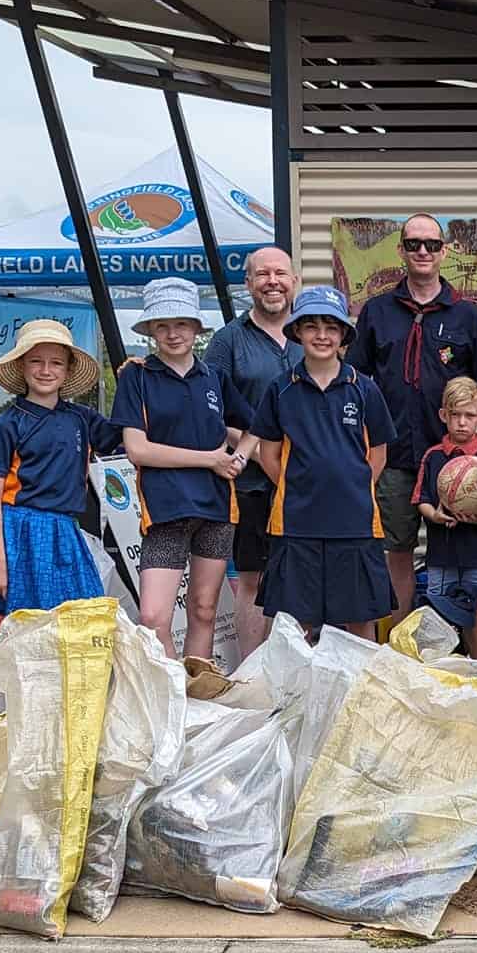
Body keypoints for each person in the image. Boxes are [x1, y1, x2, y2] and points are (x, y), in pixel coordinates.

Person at [348, 213, 477, 629]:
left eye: (431, 244)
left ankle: (457, 650)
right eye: (414, 244)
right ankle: (399, 644)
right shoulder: (376, 312)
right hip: (393, 457)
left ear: (444, 251)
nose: (423, 252)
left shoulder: (468, 317)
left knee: (459, 558)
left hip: (454, 462)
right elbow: (356, 383)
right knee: (397, 552)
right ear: (402, 251)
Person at [237, 285, 395, 640]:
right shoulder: (281, 388)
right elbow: (269, 454)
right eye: (311, 326)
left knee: (360, 621)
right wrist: (299, 487)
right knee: (299, 622)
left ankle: (359, 693)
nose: (321, 335)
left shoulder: (364, 388)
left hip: (355, 523)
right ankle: (304, 695)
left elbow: (379, 454)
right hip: (297, 523)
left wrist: (351, 488)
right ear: (297, 332)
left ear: (343, 335)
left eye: (331, 327)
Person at [111, 276, 250, 658]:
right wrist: (212, 459)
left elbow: (254, 428)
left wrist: (238, 458)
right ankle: (169, 698)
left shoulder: (215, 378)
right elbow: (137, 450)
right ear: (151, 331)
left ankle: (197, 694)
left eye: (181, 323)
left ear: (195, 327)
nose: (173, 334)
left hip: (217, 509)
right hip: (166, 510)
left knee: (204, 609)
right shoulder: (136, 376)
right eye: (163, 325)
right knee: (154, 617)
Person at [0, 320, 118, 614]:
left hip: (65, 529)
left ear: (68, 370)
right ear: (22, 365)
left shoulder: (83, 418)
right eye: (36, 361)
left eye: (56, 363)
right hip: (20, 531)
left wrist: (136, 377)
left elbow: (126, 435)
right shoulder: (7, 423)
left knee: (84, 614)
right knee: (26, 623)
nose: (46, 370)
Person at [202, 246, 301, 657]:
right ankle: (251, 674)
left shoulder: (313, 335)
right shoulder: (226, 342)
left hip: (304, 484)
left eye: (280, 273)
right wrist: (259, 452)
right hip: (253, 483)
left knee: (303, 575)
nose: (272, 281)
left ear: (294, 281)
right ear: (248, 284)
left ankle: (297, 673)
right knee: (253, 578)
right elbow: (209, 412)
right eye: (262, 274)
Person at [417, 376, 477, 659]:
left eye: (469, 416)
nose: (462, 422)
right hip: (441, 552)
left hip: (476, 551)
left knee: (476, 612)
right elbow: (422, 501)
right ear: (444, 416)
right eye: (455, 415)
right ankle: (439, 668)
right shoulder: (433, 457)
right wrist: (437, 516)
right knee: (439, 612)